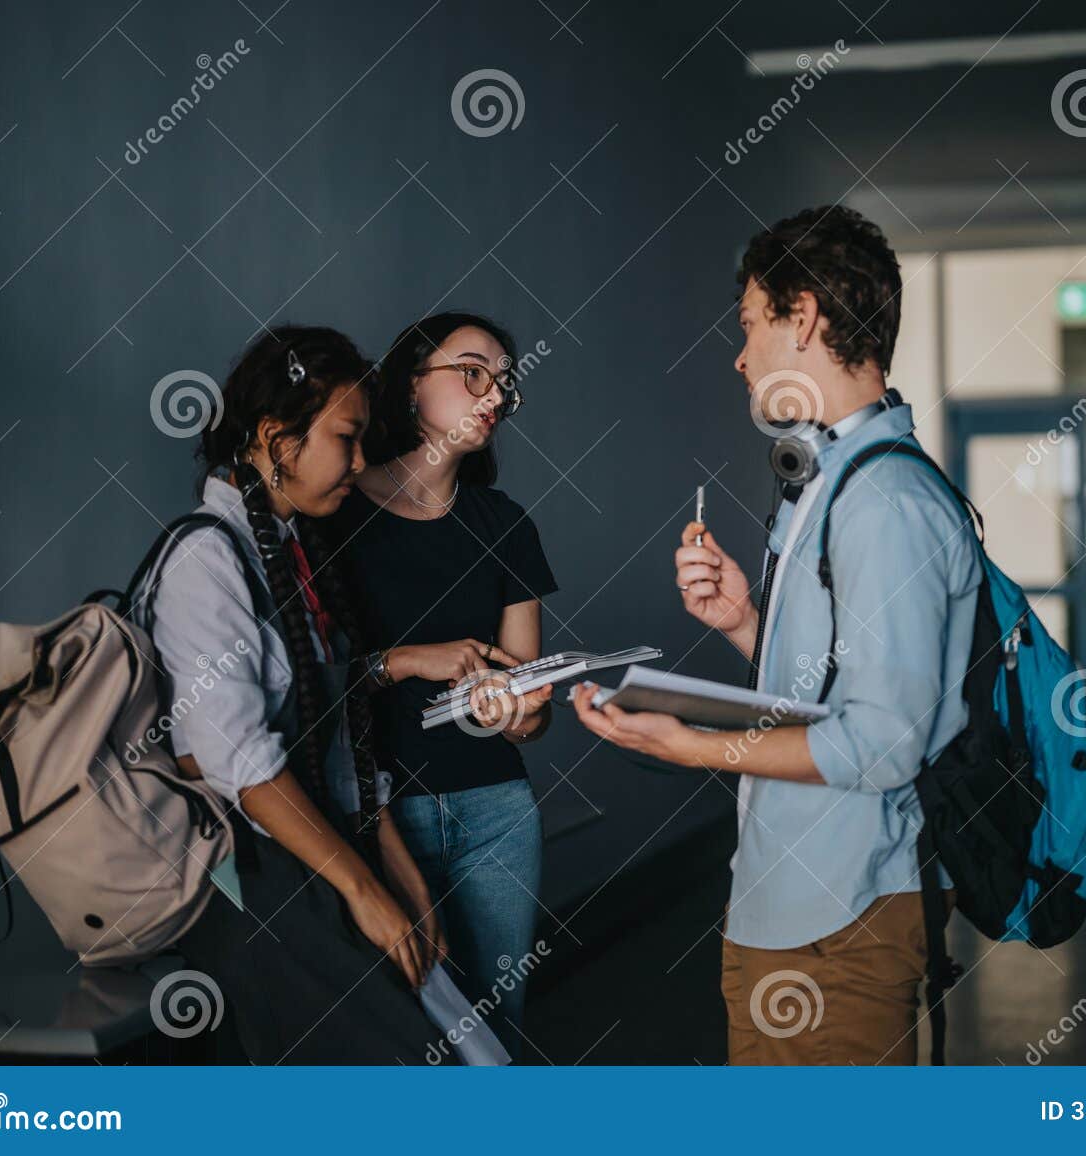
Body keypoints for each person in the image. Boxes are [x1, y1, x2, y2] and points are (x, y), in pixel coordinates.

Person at [572, 206, 983, 1065]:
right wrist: (745, 621)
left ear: (803, 318)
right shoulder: (835, 481)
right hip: (786, 899)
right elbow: (828, 693)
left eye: (751, 324)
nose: (740, 353)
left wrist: (692, 748)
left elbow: (881, 745)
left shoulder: (886, 503)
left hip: (845, 914)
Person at [136, 325, 449, 1064]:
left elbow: (335, 748)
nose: (361, 461)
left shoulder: (291, 557)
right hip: (240, 880)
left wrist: (403, 878)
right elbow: (242, 764)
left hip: (308, 856)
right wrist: (365, 894)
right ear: (278, 441)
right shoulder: (203, 562)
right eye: (347, 437)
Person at [327, 311, 556, 1058]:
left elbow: (527, 703)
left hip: (497, 811)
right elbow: (309, 687)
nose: (493, 395)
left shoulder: (507, 524)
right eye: (472, 373)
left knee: (498, 1037)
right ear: (411, 386)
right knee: (401, 1041)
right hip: (378, 821)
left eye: (504, 385)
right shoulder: (333, 516)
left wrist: (521, 714)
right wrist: (406, 660)